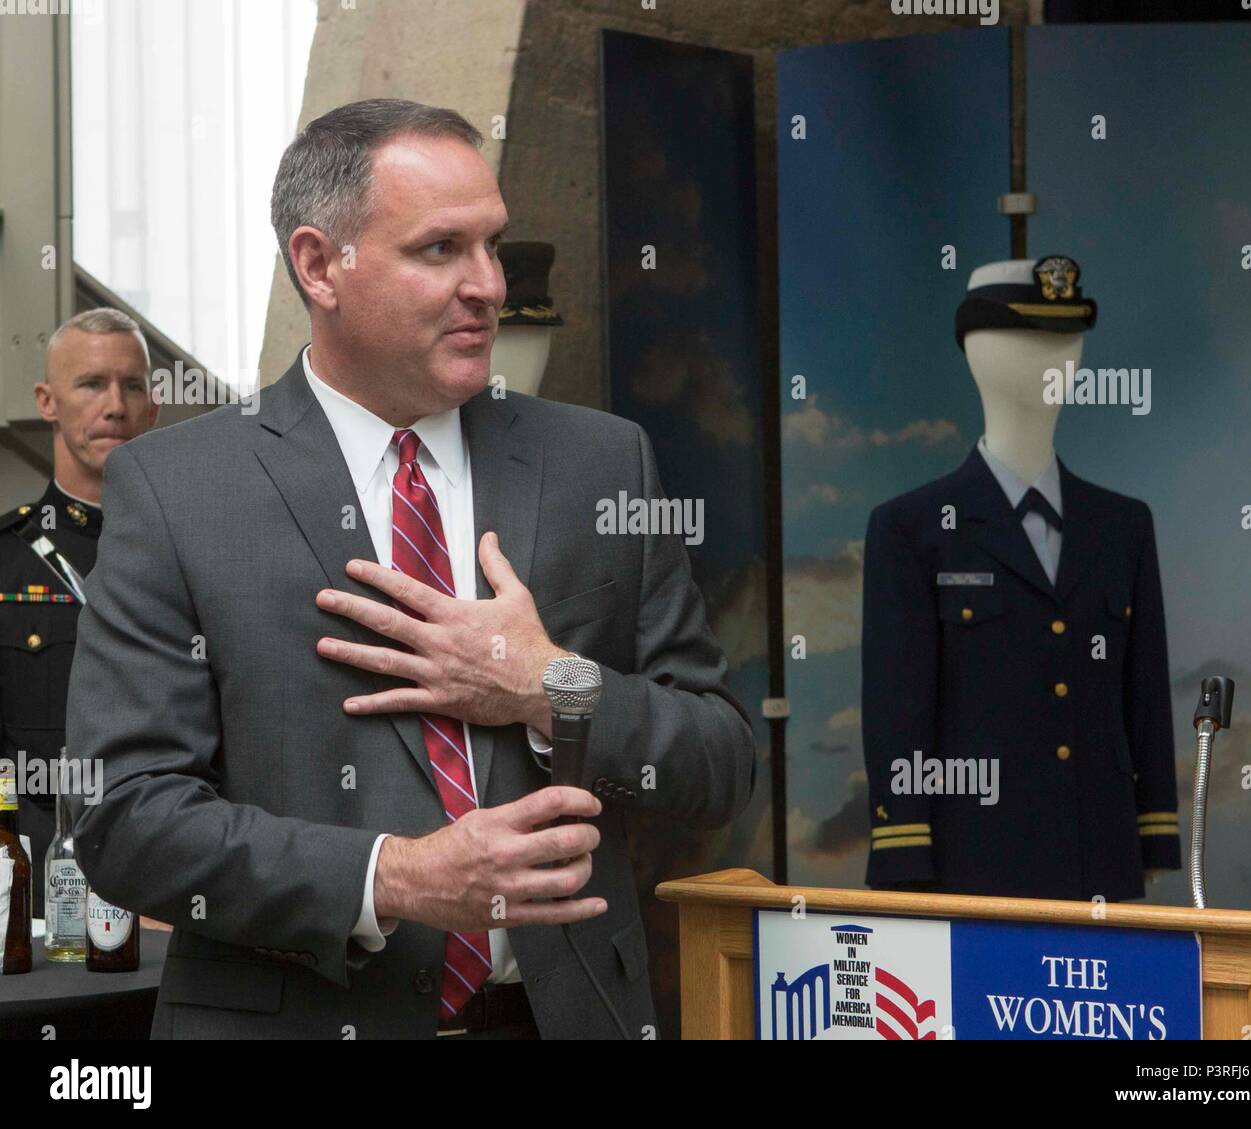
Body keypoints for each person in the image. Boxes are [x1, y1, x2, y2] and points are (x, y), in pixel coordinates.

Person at [68, 98, 754, 1039]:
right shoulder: (178, 488)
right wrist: (394, 876)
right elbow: (125, 818)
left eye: (492, 245)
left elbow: (720, 765)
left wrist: (551, 687)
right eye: (439, 250)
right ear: (320, 265)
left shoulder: (603, 463)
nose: (487, 285)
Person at [0, 309, 157, 917]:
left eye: (133, 385)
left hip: (186, 904)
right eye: (90, 384)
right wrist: (79, 886)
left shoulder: (203, 559)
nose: (114, 405)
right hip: (46, 907)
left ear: (154, 405)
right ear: (47, 401)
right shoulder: (7, 565)